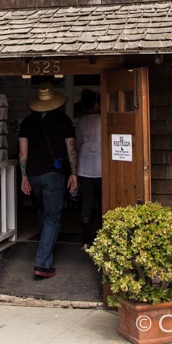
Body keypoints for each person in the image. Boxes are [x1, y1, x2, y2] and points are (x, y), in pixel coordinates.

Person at [19, 84, 77, 280]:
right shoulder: (64, 120)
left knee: (44, 214)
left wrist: (24, 177)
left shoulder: (27, 122)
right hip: (54, 174)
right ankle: (42, 264)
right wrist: (74, 173)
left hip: (34, 175)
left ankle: (47, 255)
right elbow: (71, 150)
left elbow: (23, 153)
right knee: (52, 217)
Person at [74, 89, 102, 247]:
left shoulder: (80, 122)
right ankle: (106, 235)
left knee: (87, 203)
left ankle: (86, 240)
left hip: (84, 166)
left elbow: (77, 146)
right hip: (102, 166)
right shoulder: (103, 120)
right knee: (105, 201)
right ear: (97, 104)